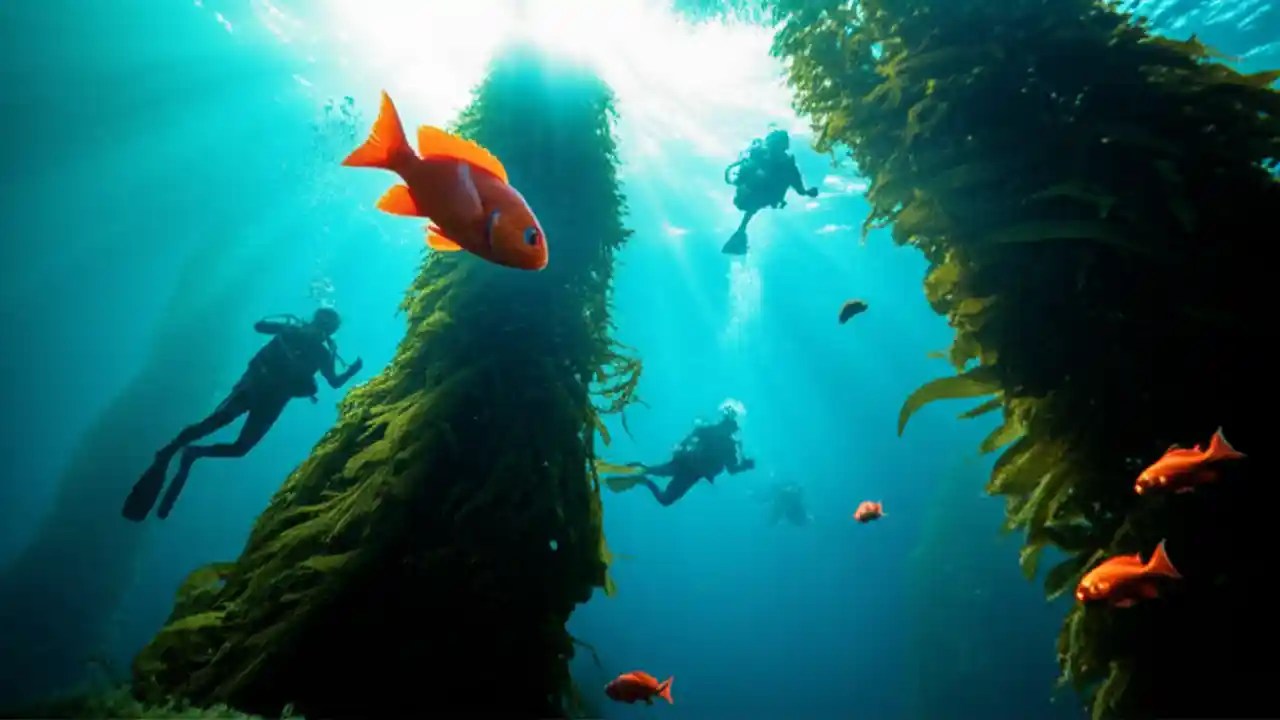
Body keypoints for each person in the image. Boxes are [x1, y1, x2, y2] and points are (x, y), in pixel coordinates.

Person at [121, 308, 364, 522]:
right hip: (253, 386)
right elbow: (260, 326)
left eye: (327, 326)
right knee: (218, 420)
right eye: (321, 322)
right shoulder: (292, 332)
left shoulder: (322, 353)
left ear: (331, 331)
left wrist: (351, 371)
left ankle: (192, 452)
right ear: (314, 320)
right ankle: (172, 450)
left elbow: (332, 381)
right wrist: (288, 327)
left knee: (240, 448)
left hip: (273, 400)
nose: (322, 328)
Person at [604, 403, 756, 507]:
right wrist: (745, 465)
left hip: (687, 469)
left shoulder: (718, 437)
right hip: (687, 467)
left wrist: (744, 465)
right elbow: (732, 469)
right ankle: (640, 475)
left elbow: (731, 468)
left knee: (661, 490)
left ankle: (641, 476)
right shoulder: (723, 441)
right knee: (661, 490)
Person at [722, 129, 819, 255]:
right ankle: (741, 231)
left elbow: (799, 189)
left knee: (753, 206)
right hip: (753, 195)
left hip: (763, 196)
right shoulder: (761, 157)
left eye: (779, 145)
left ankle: (741, 231)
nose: (775, 150)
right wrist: (807, 192)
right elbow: (799, 189)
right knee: (752, 204)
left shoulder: (787, 166)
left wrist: (807, 192)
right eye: (775, 145)